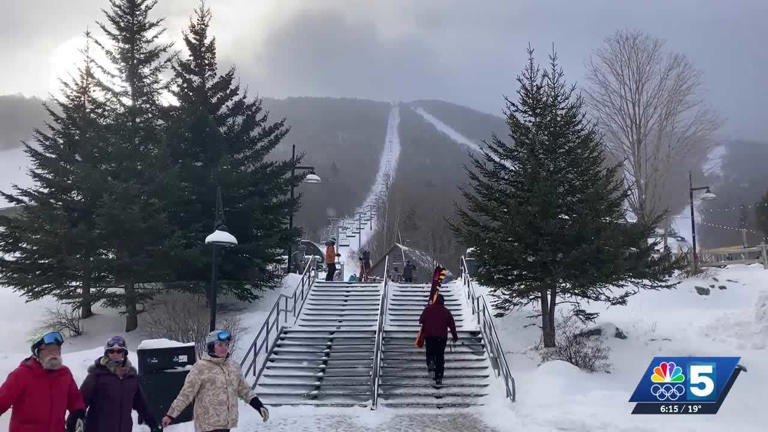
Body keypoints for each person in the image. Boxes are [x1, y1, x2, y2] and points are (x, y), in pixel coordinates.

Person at [162, 330, 268, 432]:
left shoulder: (233, 367)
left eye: (226, 345)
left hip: (226, 425)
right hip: (207, 425)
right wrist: (170, 415)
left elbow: (244, 390)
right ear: (211, 347)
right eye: (220, 345)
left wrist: (259, 406)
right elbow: (186, 394)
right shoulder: (200, 367)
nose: (224, 348)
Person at [0, 331, 85, 432]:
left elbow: (75, 399)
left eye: (57, 350)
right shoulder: (21, 374)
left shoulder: (64, 374)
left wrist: (78, 413)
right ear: (37, 352)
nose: (54, 354)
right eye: (49, 350)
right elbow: (2, 399)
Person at [69, 336, 157, 432]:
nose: (115, 354)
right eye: (111, 351)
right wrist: (73, 421)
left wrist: (153, 423)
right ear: (107, 353)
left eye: (119, 351)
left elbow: (141, 404)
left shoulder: (131, 377)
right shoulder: (97, 375)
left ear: (124, 353)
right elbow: (81, 401)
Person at [418, 294, 458, 385]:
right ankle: (438, 377)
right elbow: (452, 325)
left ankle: (431, 362)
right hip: (441, 338)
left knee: (430, 352)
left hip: (429, 336)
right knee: (440, 356)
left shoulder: (427, 310)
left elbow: (421, 320)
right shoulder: (446, 311)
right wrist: (455, 336)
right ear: (443, 302)